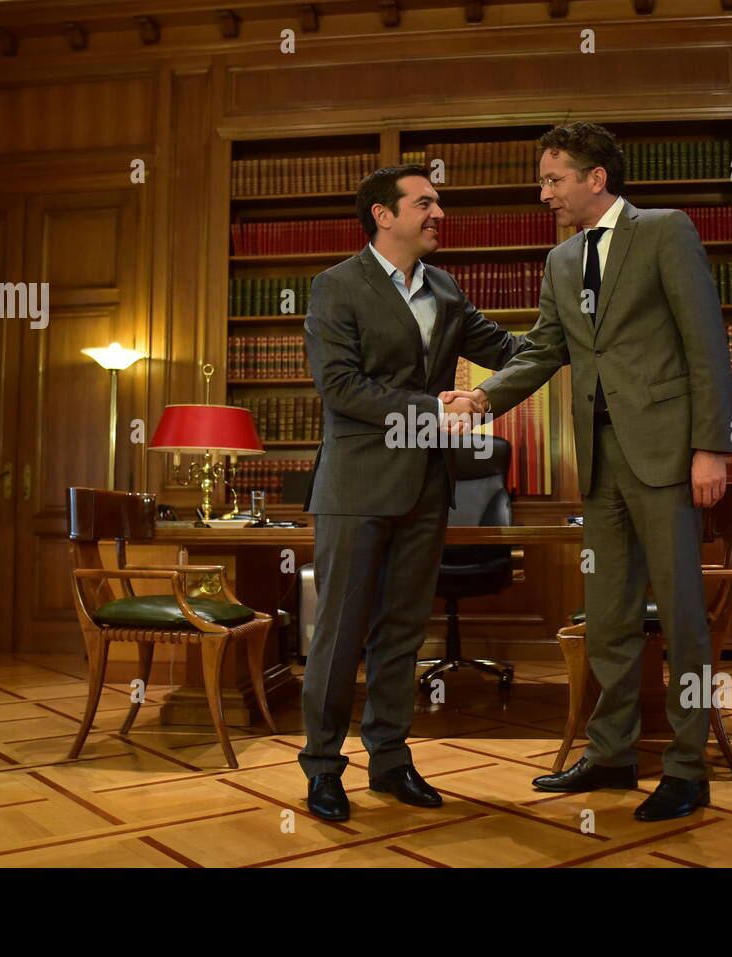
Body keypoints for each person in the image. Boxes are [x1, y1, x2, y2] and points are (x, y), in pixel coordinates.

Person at [442, 123, 732, 820]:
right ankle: (609, 755)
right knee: (608, 616)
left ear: (595, 178)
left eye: (554, 179)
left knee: (684, 619)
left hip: (668, 457)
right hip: (599, 465)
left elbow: (706, 339)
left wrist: (711, 446)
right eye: (544, 181)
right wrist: (484, 397)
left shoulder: (666, 232)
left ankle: (688, 768)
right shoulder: (560, 261)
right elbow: (546, 349)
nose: (544, 193)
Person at [299, 165, 527, 821]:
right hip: (356, 488)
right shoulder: (336, 286)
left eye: (440, 203)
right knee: (338, 636)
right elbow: (339, 386)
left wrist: (576, 334)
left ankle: (390, 761)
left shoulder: (447, 290)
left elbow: (509, 349)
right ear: (383, 214)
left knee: (402, 633)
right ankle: (321, 767)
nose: (438, 213)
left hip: (427, 488)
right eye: (425, 202)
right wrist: (433, 407)